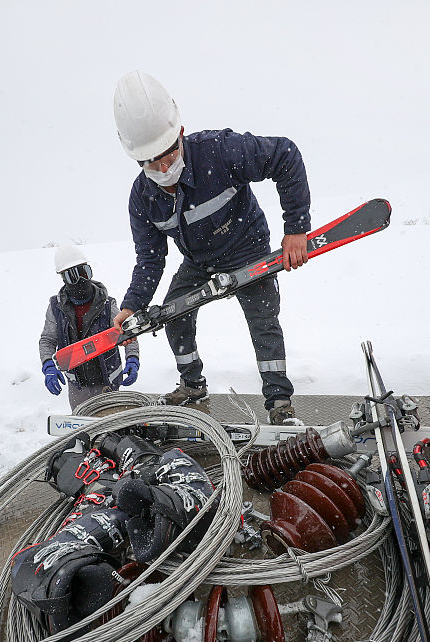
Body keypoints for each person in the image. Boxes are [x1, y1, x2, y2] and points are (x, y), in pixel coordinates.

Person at [111, 70, 312, 425]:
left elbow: (285, 155)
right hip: (198, 261)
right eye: (152, 161)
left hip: (247, 248)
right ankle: (192, 386)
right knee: (173, 315)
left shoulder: (220, 151)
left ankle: (279, 402)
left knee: (263, 320)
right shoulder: (142, 198)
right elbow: (150, 258)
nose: (164, 166)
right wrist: (133, 304)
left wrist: (296, 229)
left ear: (180, 134)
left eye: (169, 154)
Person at [39, 244, 140, 411]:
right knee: (84, 424)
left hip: (108, 383)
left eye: (84, 272)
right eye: (72, 276)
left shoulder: (107, 305)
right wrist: (48, 364)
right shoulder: (56, 308)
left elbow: (127, 332)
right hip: (78, 387)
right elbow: (47, 340)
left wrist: (133, 358)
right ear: (63, 278)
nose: (81, 280)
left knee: (111, 424)